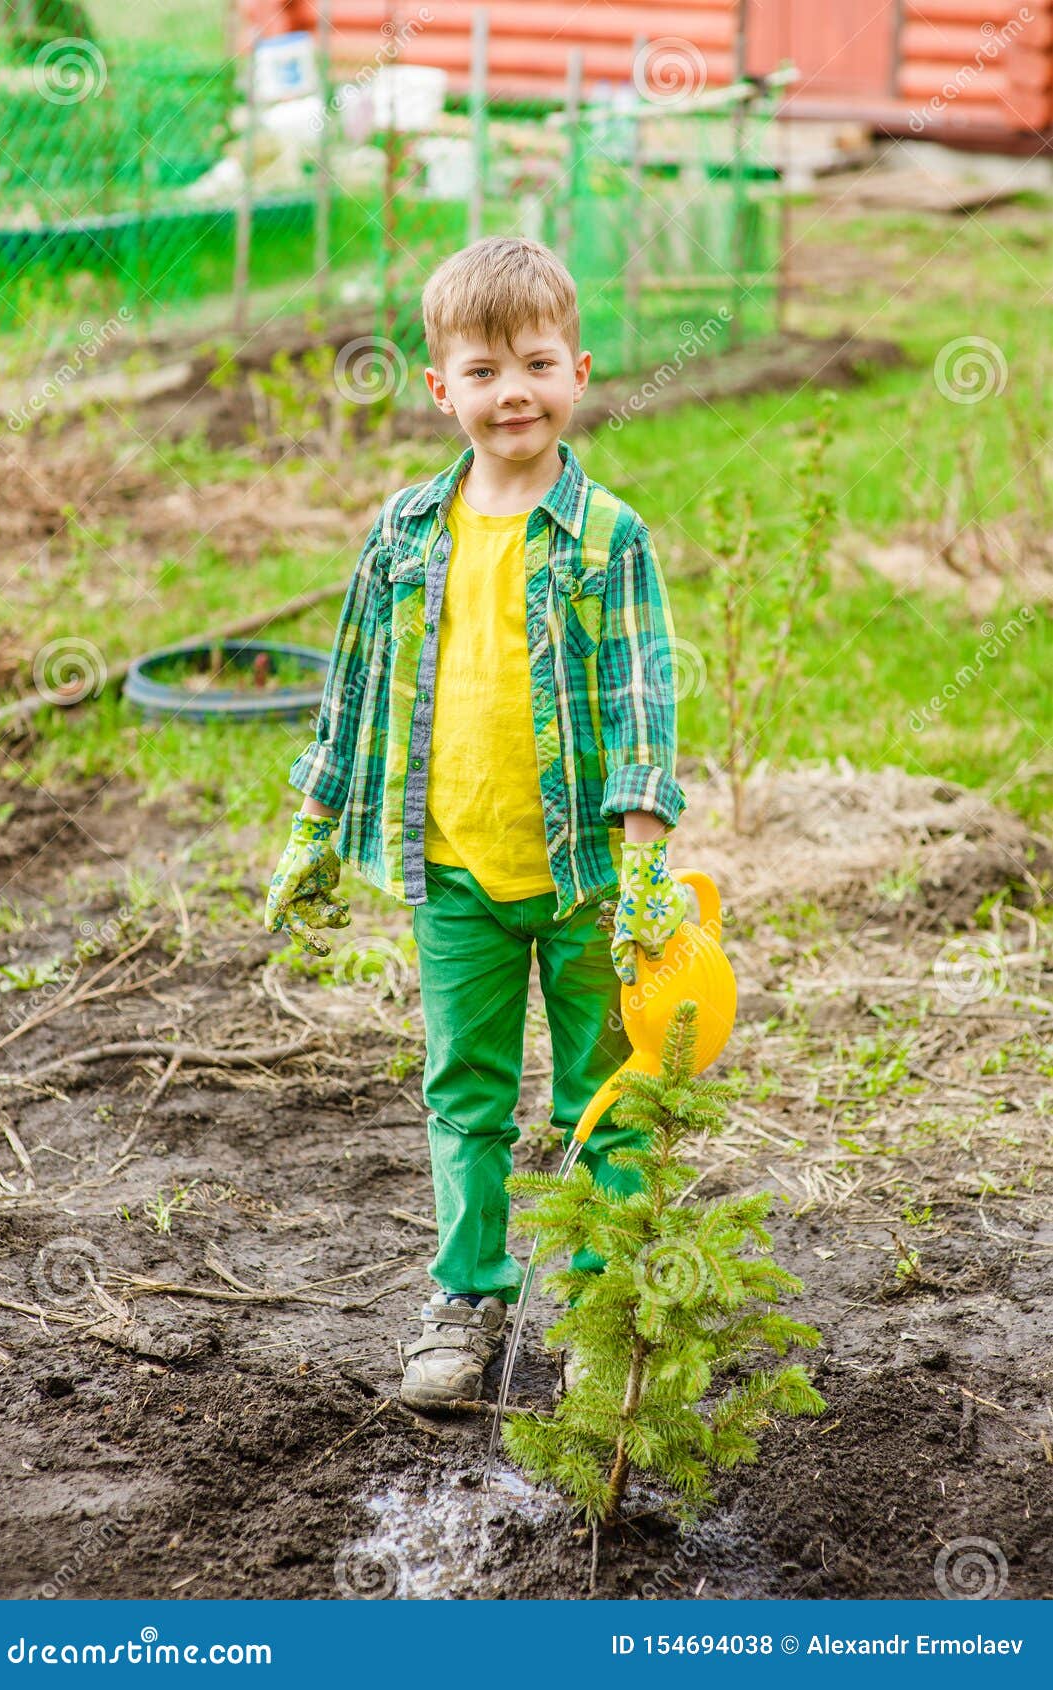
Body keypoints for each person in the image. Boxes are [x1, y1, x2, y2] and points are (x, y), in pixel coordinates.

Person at [264, 236, 696, 1413]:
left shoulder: (609, 536)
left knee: (601, 1093)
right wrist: (314, 818)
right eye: (485, 369)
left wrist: (647, 850)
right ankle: (467, 1295)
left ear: (581, 370)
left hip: (588, 880)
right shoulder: (405, 533)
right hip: (451, 871)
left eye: (538, 364)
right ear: (438, 387)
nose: (514, 392)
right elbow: (351, 686)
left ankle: (609, 1308)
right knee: (462, 1089)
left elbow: (645, 692)